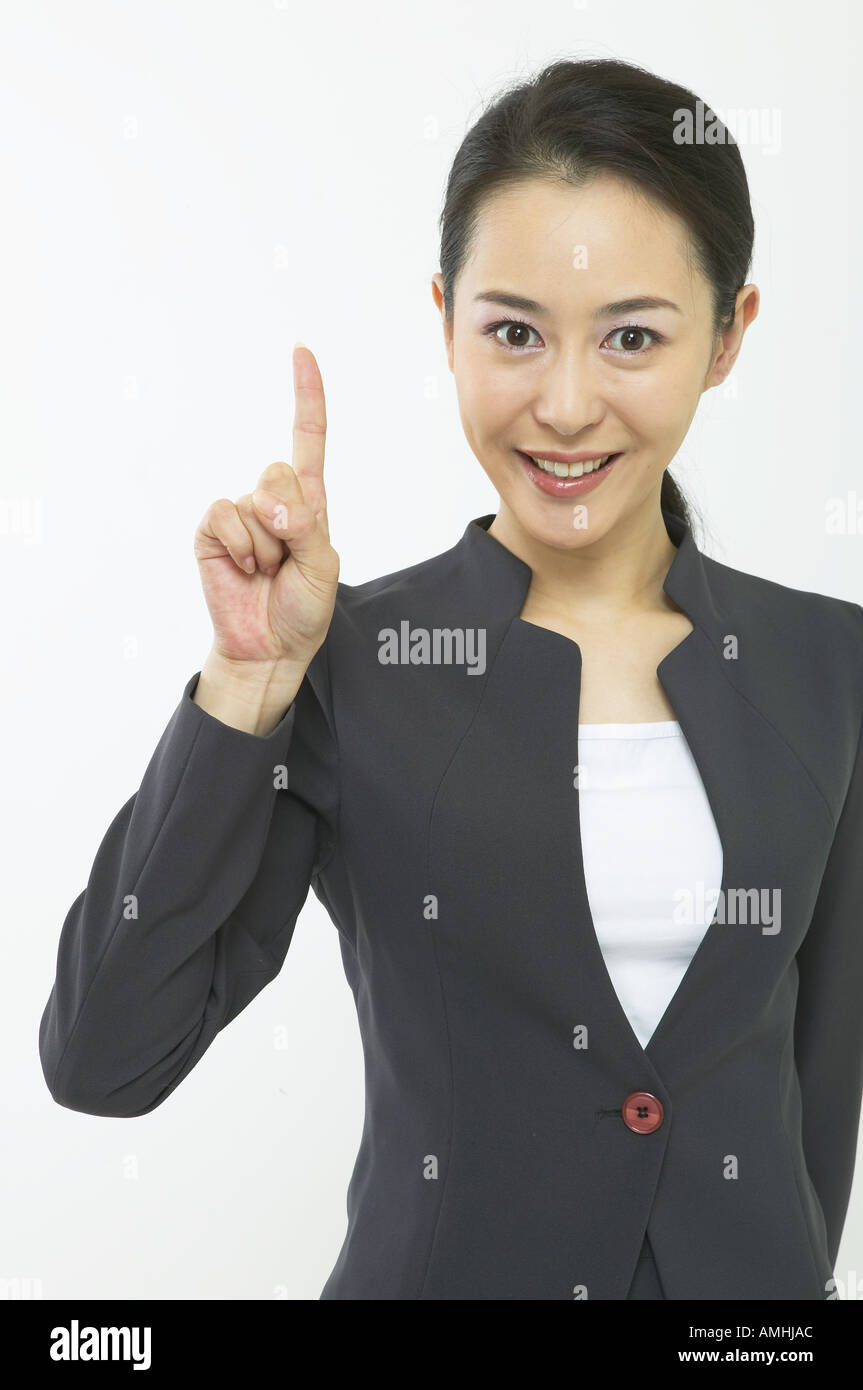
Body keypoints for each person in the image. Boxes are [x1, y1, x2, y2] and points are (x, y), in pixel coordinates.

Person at [39, 57, 863, 1300]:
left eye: (631, 335)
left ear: (727, 337)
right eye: (514, 333)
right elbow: (104, 1055)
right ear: (444, 322)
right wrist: (245, 682)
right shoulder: (349, 666)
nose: (567, 404)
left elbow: (817, 1101)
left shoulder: (828, 665)